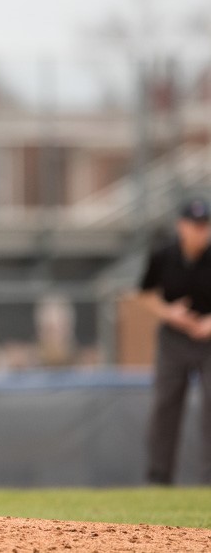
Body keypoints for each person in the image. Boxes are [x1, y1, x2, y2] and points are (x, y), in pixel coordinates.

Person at [137, 196, 211, 484]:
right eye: (195, 225)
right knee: (166, 405)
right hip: (174, 339)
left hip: (208, 338)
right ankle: (158, 478)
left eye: (204, 225)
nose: (200, 231)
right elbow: (144, 294)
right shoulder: (163, 255)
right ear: (181, 226)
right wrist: (169, 314)